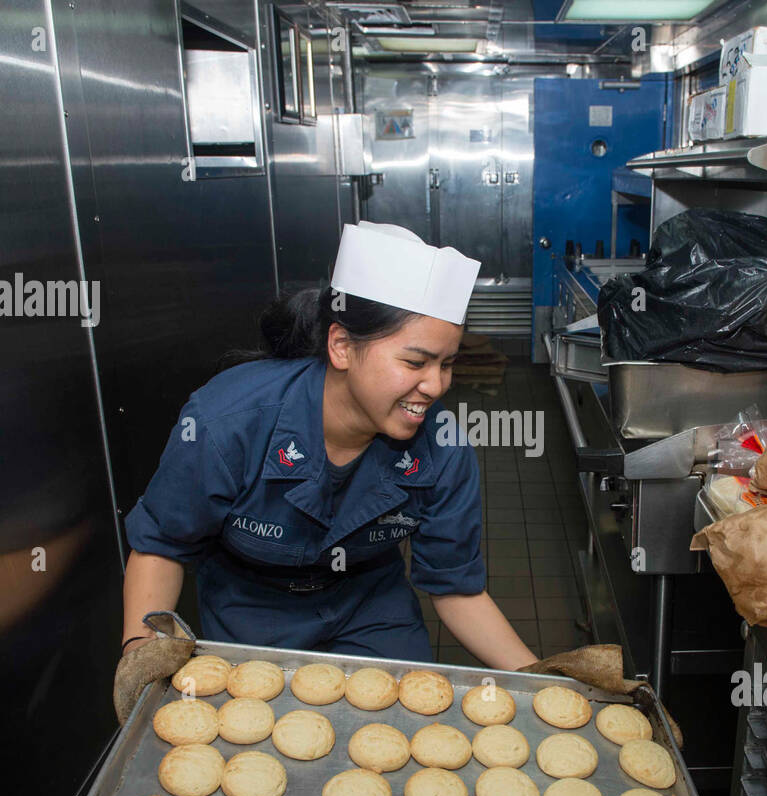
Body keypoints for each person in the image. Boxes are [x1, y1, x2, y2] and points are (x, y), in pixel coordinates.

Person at [119, 222, 538, 670]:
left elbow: (455, 587)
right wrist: (138, 653)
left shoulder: (441, 447)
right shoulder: (227, 424)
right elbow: (162, 546)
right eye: (415, 362)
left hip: (372, 610)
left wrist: (541, 681)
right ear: (341, 346)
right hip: (252, 615)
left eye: (447, 364)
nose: (435, 386)